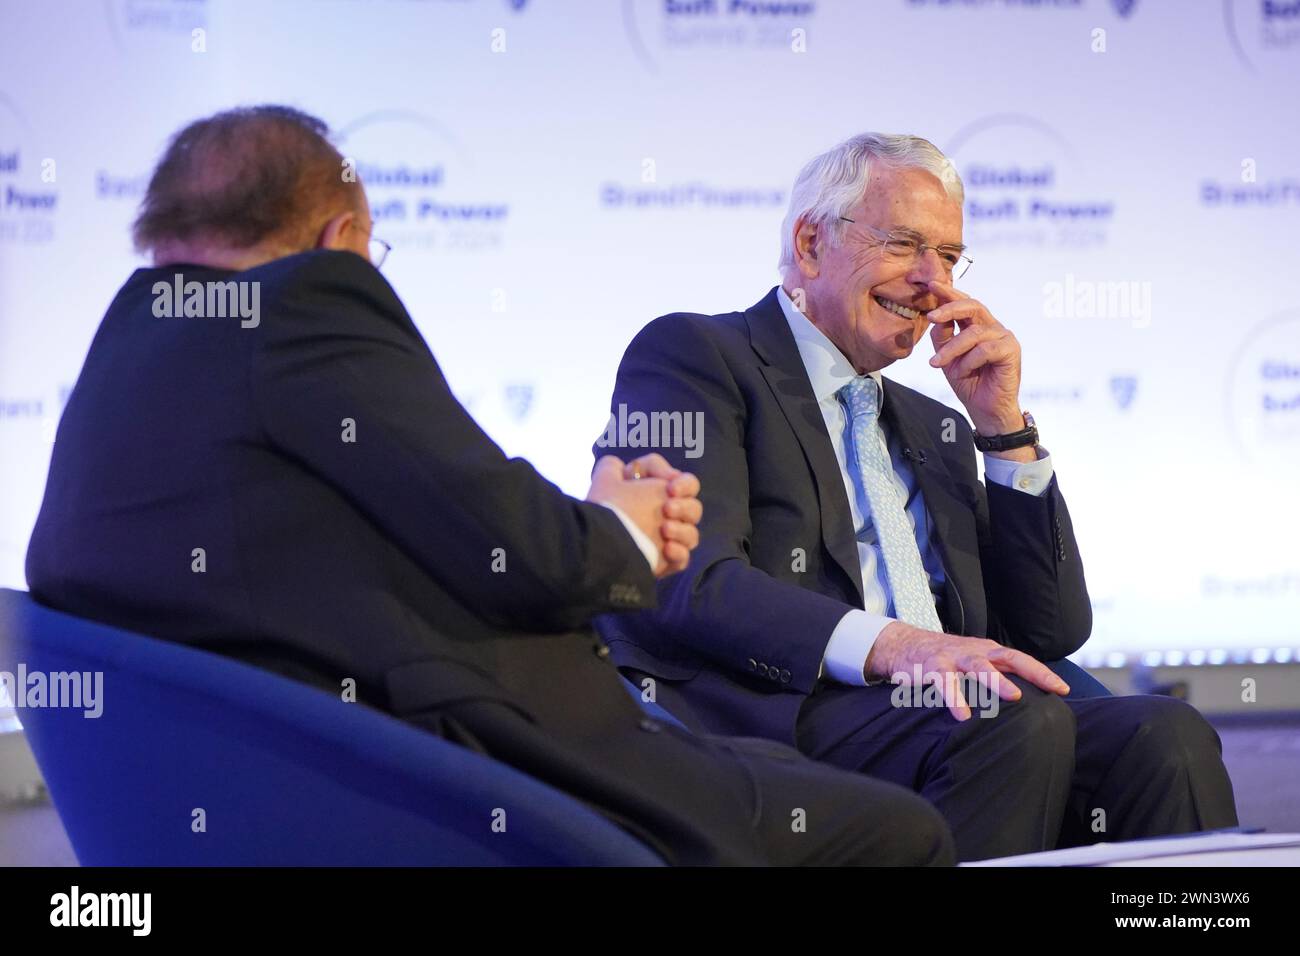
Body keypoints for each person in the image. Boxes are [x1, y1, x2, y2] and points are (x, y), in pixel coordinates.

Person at [24, 107, 955, 866]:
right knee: (897, 831)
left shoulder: (132, 339)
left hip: (269, 783)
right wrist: (623, 526)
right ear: (340, 236)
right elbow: (520, 545)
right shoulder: (309, 304)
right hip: (473, 775)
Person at [595, 132, 1238, 861]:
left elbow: (1051, 631)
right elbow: (690, 580)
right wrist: (903, 649)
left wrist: (1002, 428)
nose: (935, 281)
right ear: (811, 244)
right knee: (1003, 720)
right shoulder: (697, 356)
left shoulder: (933, 423)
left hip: (954, 719)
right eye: (905, 245)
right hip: (784, 716)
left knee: (1163, 734)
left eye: (950, 257)